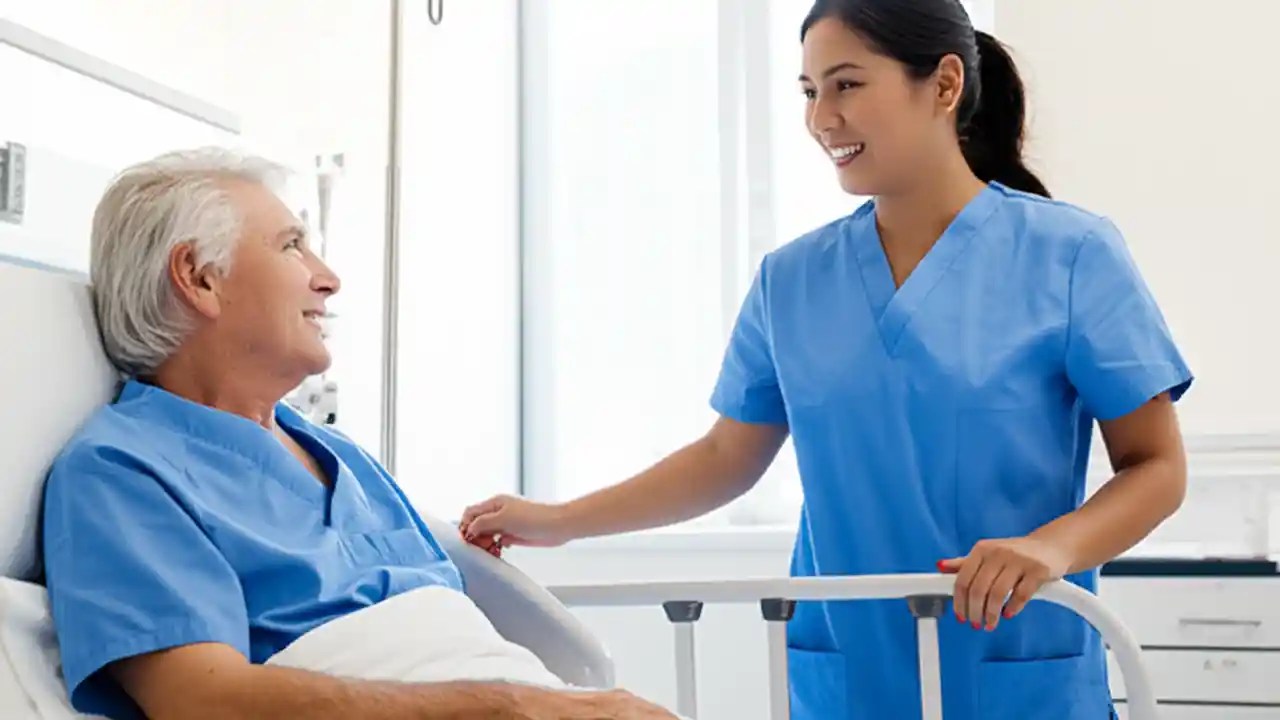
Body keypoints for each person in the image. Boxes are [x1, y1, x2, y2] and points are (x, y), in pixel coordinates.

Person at [460, 1, 1191, 718]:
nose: (822, 118)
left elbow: (1155, 466)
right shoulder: (791, 280)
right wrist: (559, 521)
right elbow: (724, 458)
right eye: (810, 91)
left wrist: (1051, 549)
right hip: (846, 679)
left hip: (1018, 671)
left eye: (847, 85)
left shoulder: (1071, 255)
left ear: (943, 84)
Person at [41, 148, 678, 720]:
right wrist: (515, 708)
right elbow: (205, 703)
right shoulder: (120, 471)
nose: (327, 278)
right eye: (292, 246)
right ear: (199, 277)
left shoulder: (343, 458)